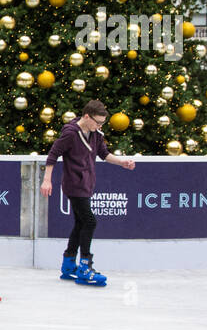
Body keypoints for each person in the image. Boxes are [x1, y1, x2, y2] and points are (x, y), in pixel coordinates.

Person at [40, 99, 136, 285]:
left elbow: (103, 154)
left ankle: (68, 264)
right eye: (97, 122)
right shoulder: (70, 134)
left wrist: (122, 162)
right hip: (74, 184)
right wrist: (46, 180)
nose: (99, 126)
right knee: (90, 221)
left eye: (102, 123)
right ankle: (85, 265)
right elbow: (53, 154)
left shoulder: (96, 134)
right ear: (86, 116)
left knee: (80, 223)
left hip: (86, 184)